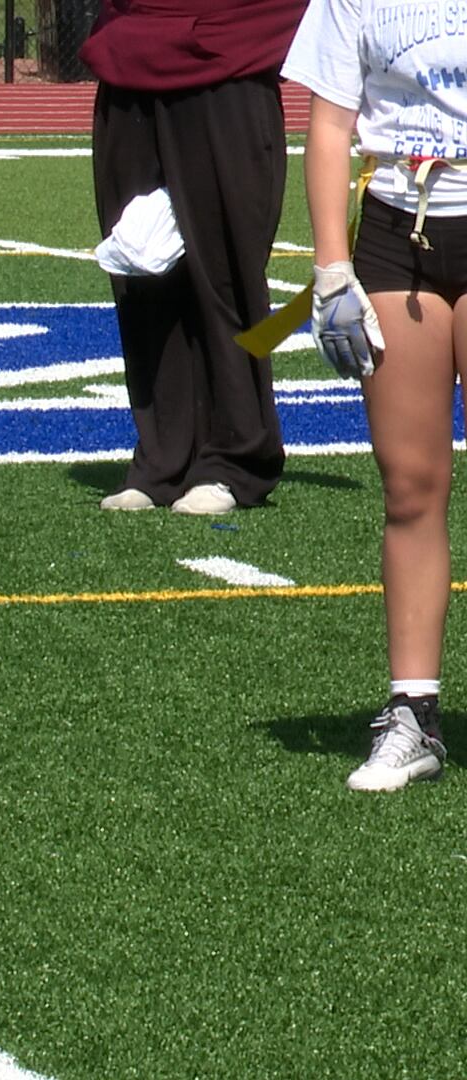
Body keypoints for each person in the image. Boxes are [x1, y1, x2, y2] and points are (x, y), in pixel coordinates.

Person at [283, 0, 462, 792]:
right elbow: (329, 123)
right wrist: (330, 267)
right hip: (397, 232)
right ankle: (413, 714)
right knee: (410, 485)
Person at [79, 0, 306, 514]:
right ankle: (162, 458)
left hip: (228, 55)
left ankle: (233, 458)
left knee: (224, 274)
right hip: (131, 51)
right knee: (139, 268)